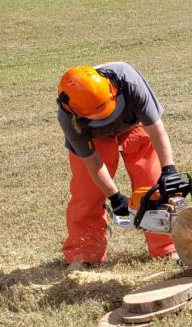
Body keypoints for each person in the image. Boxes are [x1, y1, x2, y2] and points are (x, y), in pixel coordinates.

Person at [56, 63, 181, 266]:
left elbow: (155, 127)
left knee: (152, 184)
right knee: (87, 194)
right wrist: (114, 197)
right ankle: (85, 255)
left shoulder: (129, 81)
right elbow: (92, 161)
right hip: (94, 140)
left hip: (133, 125)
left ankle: (167, 247)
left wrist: (169, 169)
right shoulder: (67, 117)